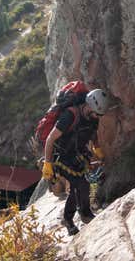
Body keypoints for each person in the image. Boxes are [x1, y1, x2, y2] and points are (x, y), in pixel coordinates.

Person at [42, 88, 110, 235]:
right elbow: (50, 139)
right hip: (60, 155)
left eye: (99, 115)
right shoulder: (70, 116)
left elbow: (93, 135)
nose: (98, 117)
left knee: (79, 186)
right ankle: (81, 215)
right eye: (96, 114)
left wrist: (97, 148)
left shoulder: (92, 118)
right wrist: (48, 164)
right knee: (80, 184)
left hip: (75, 153)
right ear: (89, 107)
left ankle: (76, 216)